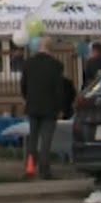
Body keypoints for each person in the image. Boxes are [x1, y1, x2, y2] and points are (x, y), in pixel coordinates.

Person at [20, 38, 65, 180]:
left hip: (33, 106)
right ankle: (44, 171)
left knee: (32, 139)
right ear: (51, 48)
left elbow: (23, 85)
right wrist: (60, 107)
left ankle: (30, 168)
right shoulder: (57, 65)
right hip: (50, 107)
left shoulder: (28, 64)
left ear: (38, 46)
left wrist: (28, 98)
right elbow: (59, 89)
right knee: (46, 140)